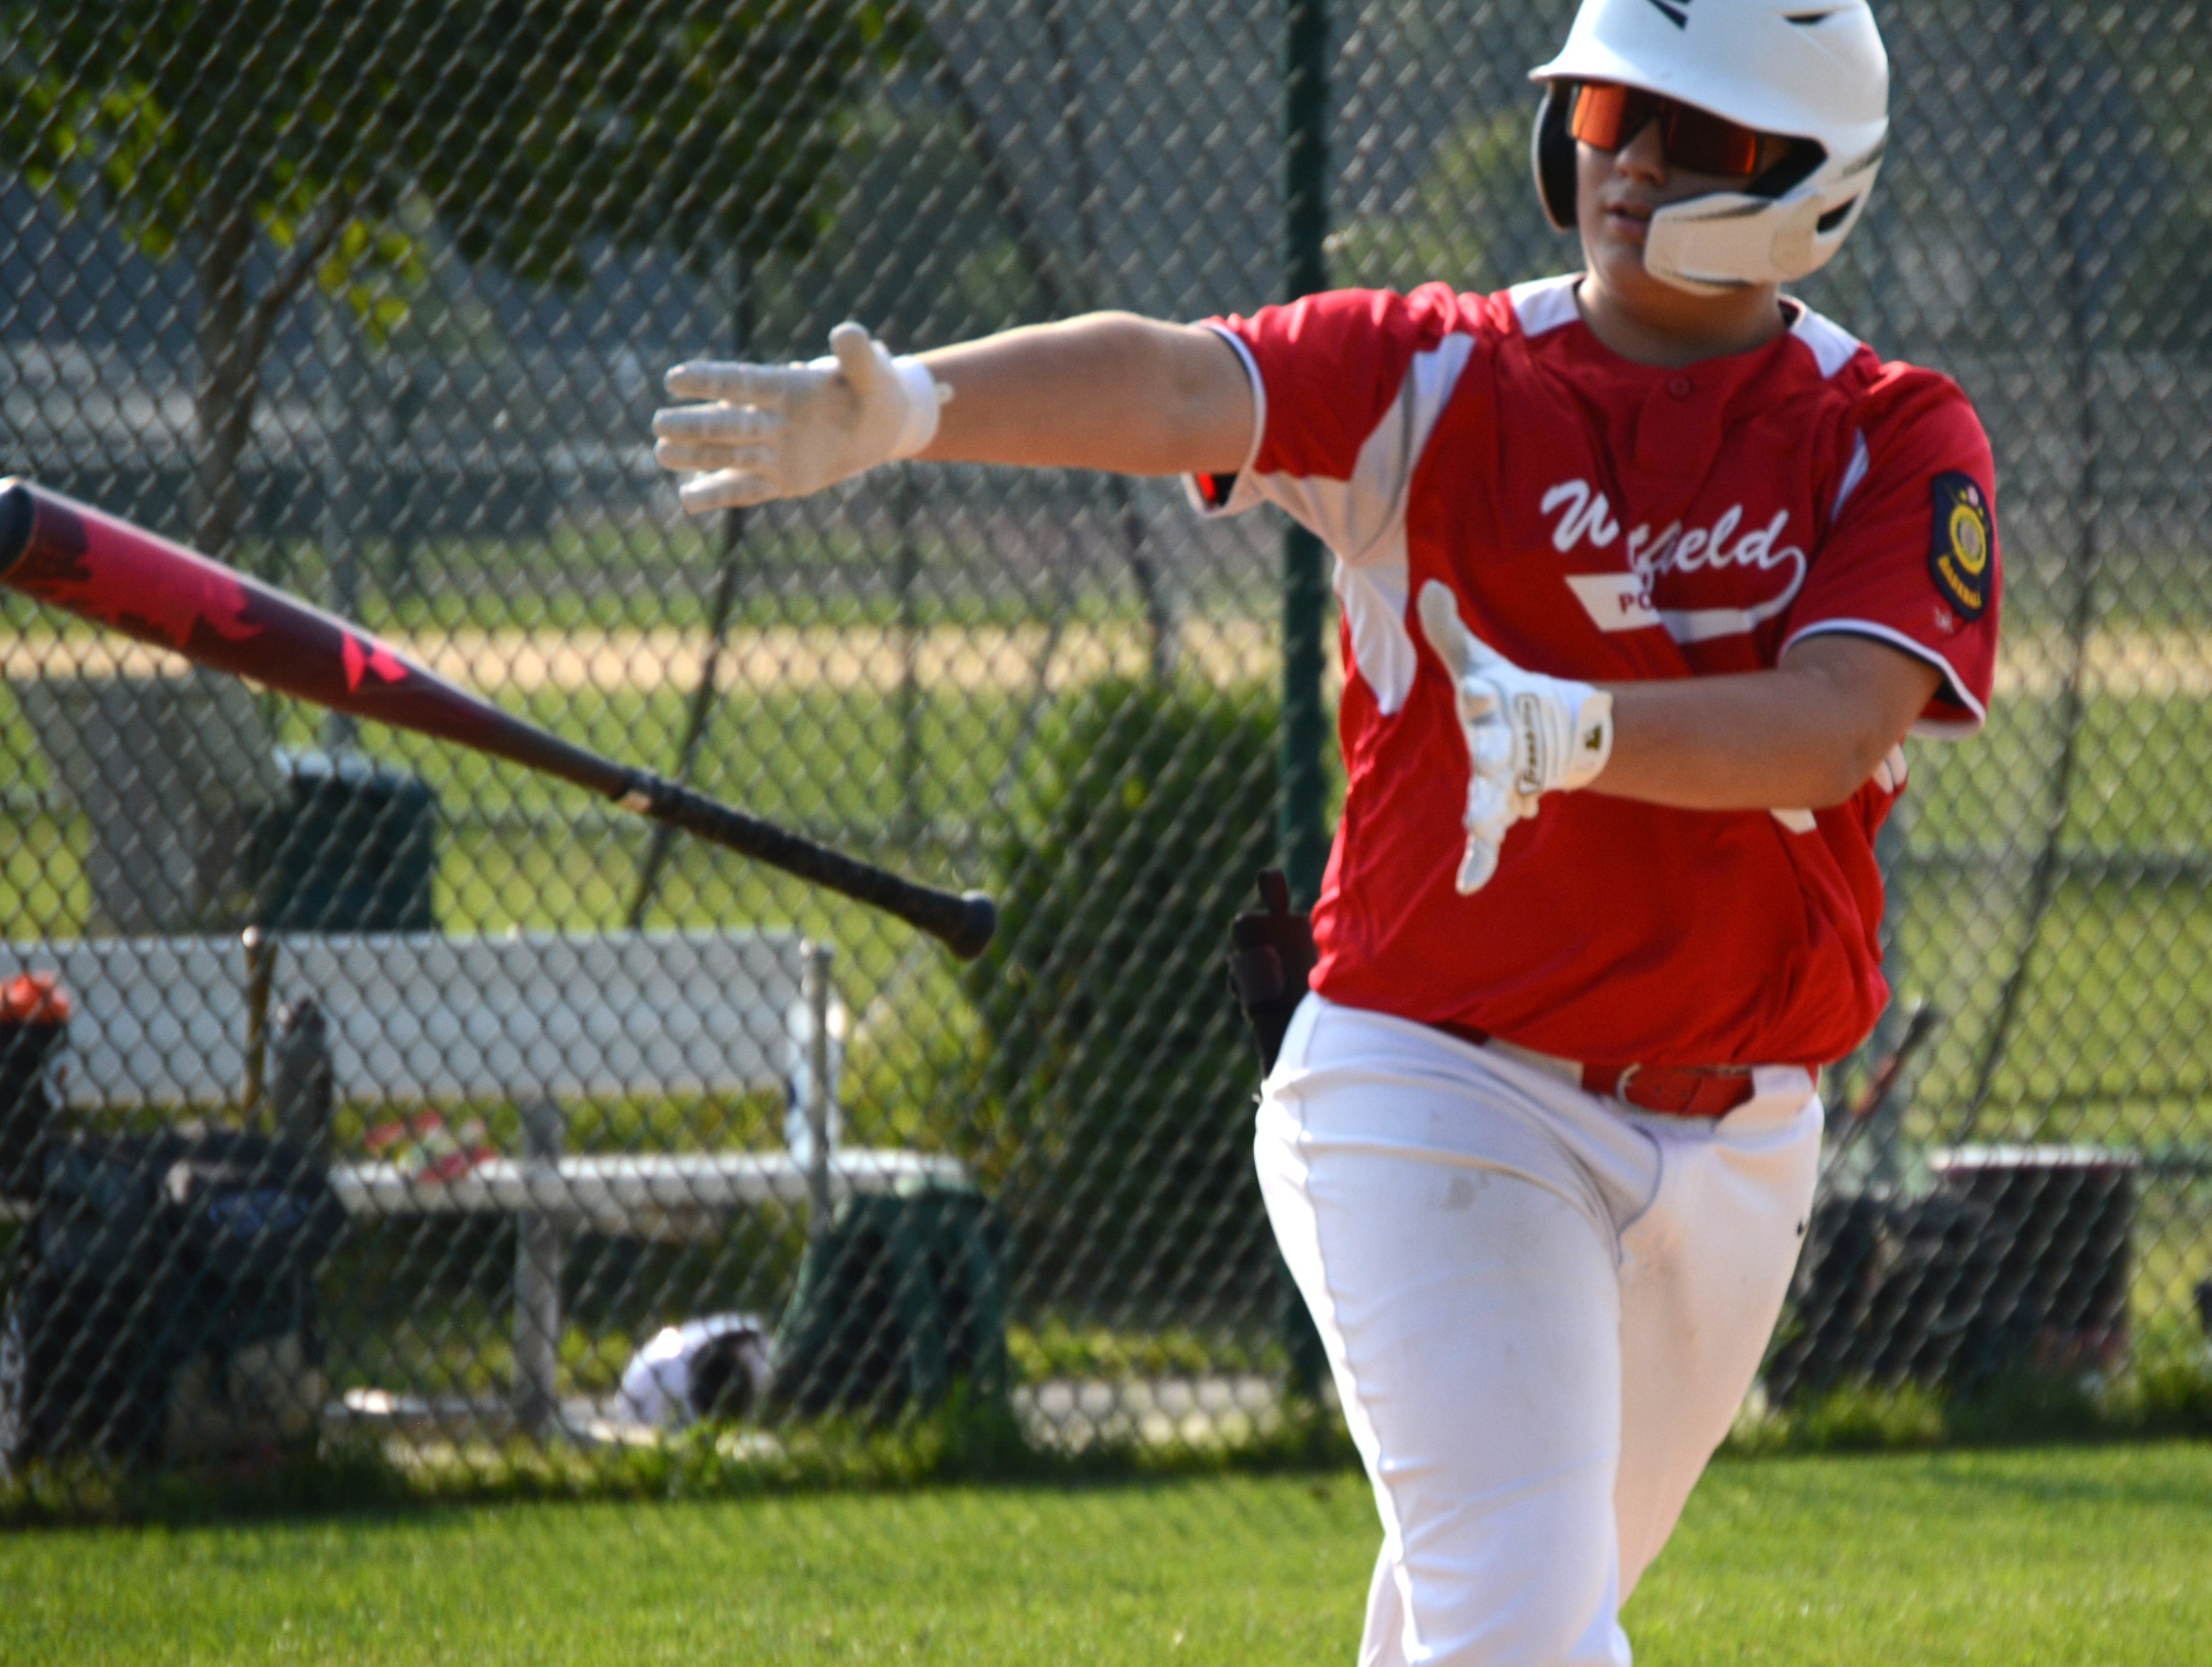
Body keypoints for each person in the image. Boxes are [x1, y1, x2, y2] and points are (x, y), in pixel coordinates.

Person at [653, 0, 2000, 1658]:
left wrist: (1574, 731)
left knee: (1483, 1602)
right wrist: (913, 407)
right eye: (1603, 118)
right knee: (1519, 1613)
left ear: (1811, 178)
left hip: (1743, 1140)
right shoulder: (1439, 370)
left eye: (1696, 136)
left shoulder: (1889, 430)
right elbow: (1171, 380)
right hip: (1438, 1087)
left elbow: (1838, 719)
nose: (1632, 166)